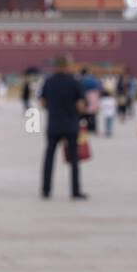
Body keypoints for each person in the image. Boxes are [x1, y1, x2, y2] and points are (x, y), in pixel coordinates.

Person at [39, 55, 88, 200]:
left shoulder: (49, 82)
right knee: (74, 159)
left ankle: (46, 190)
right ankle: (75, 190)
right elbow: (81, 105)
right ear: (67, 66)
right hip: (71, 125)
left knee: (49, 158)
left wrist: (53, 107)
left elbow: (42, 103)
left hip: (53, 125)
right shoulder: (74, 82)